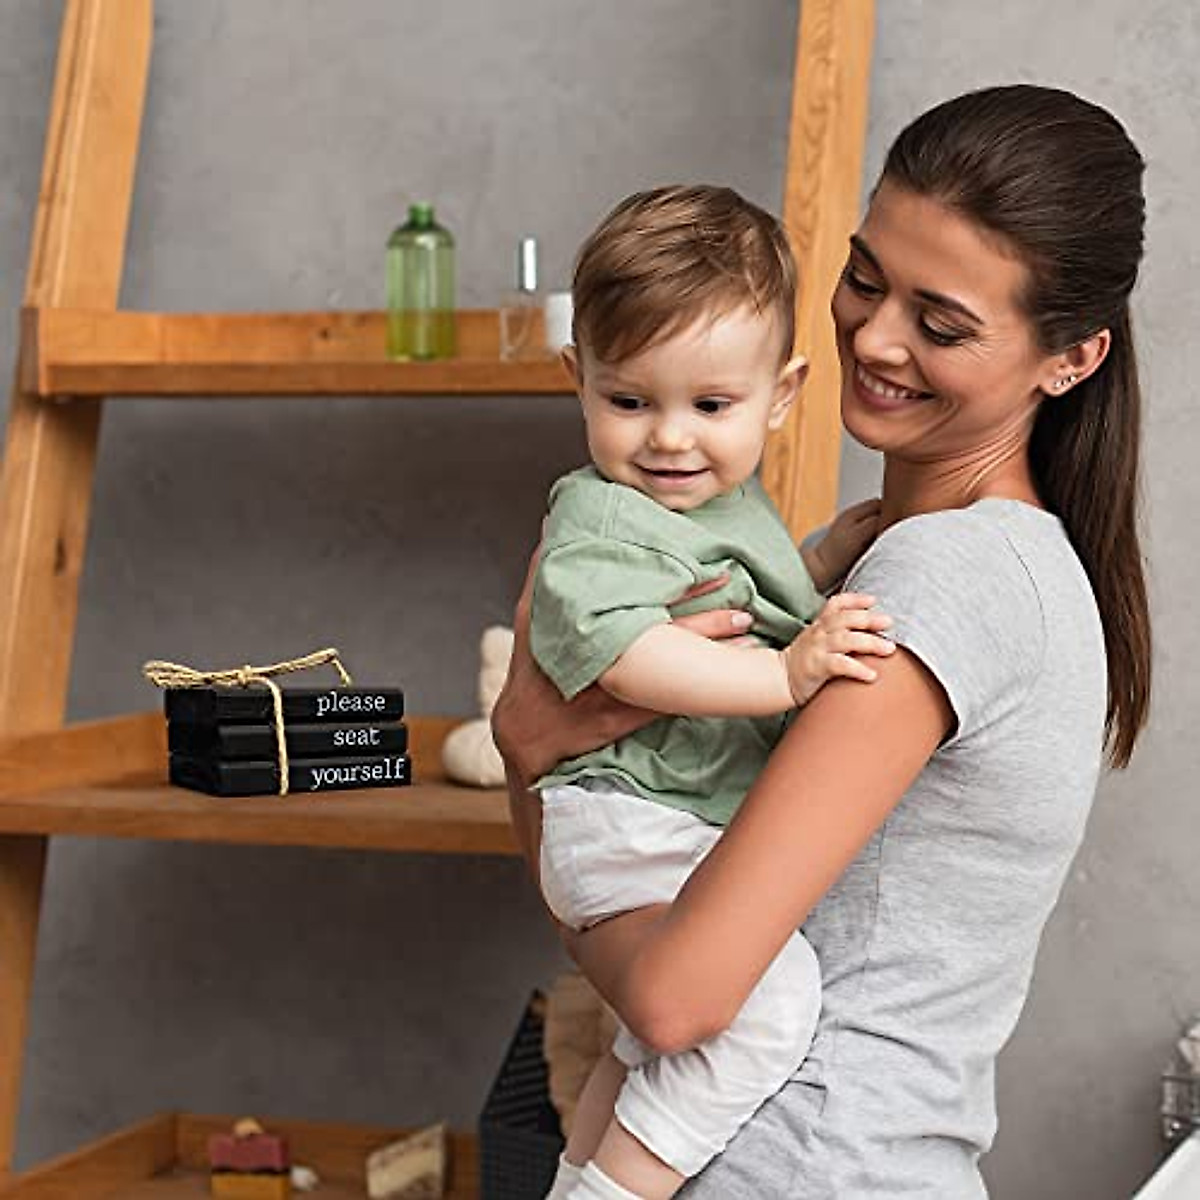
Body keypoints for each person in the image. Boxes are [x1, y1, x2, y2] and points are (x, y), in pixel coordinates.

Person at [494, 84, 1153, 1199]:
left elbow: (671, 998)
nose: (876, 337)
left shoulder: (946, 578)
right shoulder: (911, 559)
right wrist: (534, 750)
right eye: (861, 278)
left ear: (1070, 360)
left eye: (940, 324)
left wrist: (526, 747)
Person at [529, 185, 894, 1200]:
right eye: (630, 401)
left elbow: (734, 599)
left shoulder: (722, 506)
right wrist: (784, 674)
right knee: (772, 1003)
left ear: (781, 396)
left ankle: (575, 1181)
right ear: (579, 381)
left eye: (711, 406)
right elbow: (632, 656)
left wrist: (814, 563)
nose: (670, 440)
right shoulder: (600, 516)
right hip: (629, 819)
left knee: (645, 1053)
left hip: (664, 816)